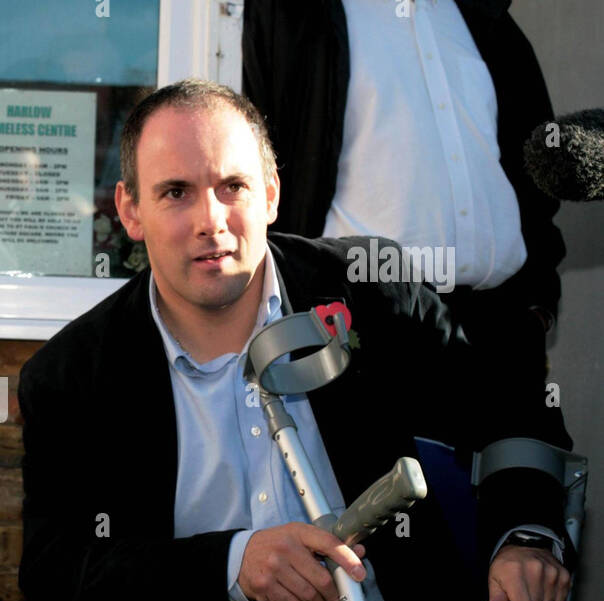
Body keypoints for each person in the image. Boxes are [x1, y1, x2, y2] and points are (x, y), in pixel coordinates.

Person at [18, 79, 573, 601]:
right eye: (176, 192)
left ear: (273, 193)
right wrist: (234, 565)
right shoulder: (71, 374)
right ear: (129, 210)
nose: (210, 220)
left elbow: (510, 404)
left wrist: (525, 536)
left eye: (233, 186)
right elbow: (57, 566)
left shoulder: (365, 293)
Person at [241, 0, 563, 351]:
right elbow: (250, 168)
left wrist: (537, 307)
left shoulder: (485, 18)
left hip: (500, 331)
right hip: (360, 333)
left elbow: (538, 176)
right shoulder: (289, 16)